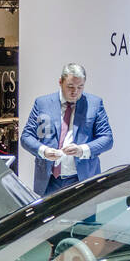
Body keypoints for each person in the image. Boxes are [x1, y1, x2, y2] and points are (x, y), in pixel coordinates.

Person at [20, 63, 114, 196]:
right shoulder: (43, 104)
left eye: (80, 87)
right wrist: (43, 151)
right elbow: (26, 137)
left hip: (82, 179)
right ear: (60, 82)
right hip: (49, 181)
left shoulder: (94, 104)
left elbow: (107, 139)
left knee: (83, 217)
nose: (75, 91)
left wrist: (82, 150)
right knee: (48, 217)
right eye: (70, 86)